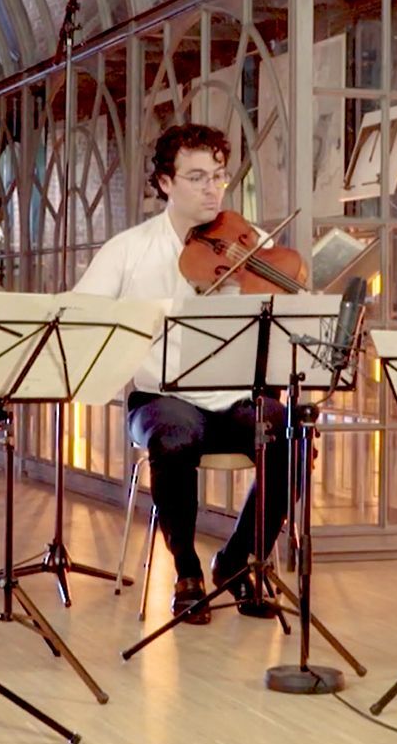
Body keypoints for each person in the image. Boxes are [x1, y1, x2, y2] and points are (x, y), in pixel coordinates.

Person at [72, 123, 294, 625]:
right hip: (160, 398)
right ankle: (187, 571)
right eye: (196, 178)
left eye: (218, 176)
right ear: (166, 183)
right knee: (175, 435)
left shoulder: (248, 242)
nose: (213, 188)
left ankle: (238, 559)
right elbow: (79, 312)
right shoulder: (129, 249)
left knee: (291, 435)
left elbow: (285, 313)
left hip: (235, 398)